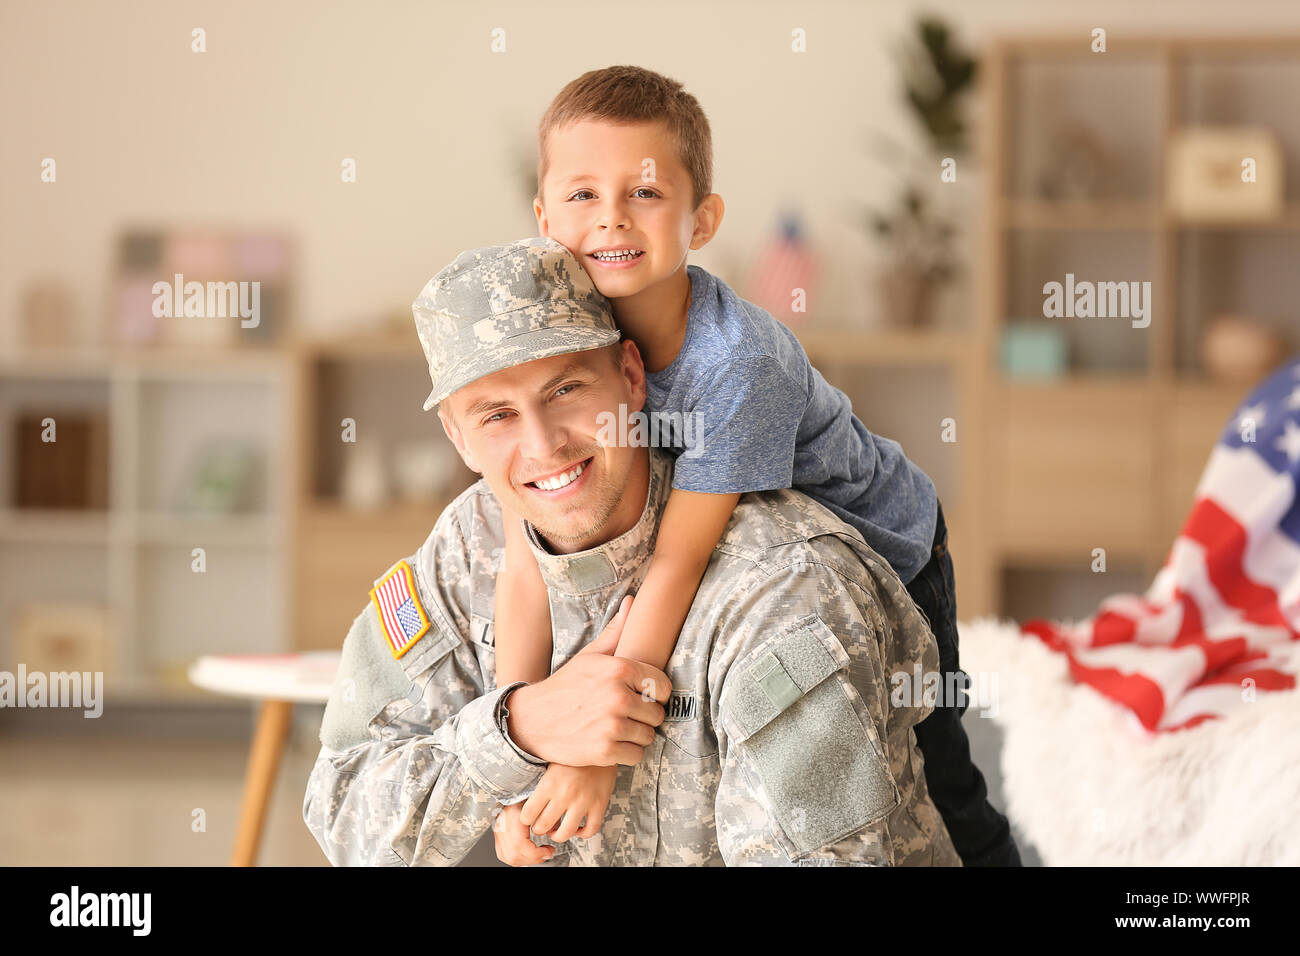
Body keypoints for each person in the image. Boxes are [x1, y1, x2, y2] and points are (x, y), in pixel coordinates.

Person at [489, 64, 1020, 866]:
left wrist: (591, 753)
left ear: (702, 220)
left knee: (940, 778)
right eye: (582, 196)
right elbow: (523, 562)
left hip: (885, 546)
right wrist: (521, 762)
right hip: (744, 553)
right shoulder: (561, 339)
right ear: (541, 214)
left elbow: (678, 557)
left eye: (644, 193)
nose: (610, 221)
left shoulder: (737, 364)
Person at [302, 236, 960, 866]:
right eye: (496, 415)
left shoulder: (781, 581)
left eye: (564, 391)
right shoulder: (465, 549)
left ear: (631, 377)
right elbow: (343, 818)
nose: (543, 445)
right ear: (459, 439)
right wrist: (520, 727)